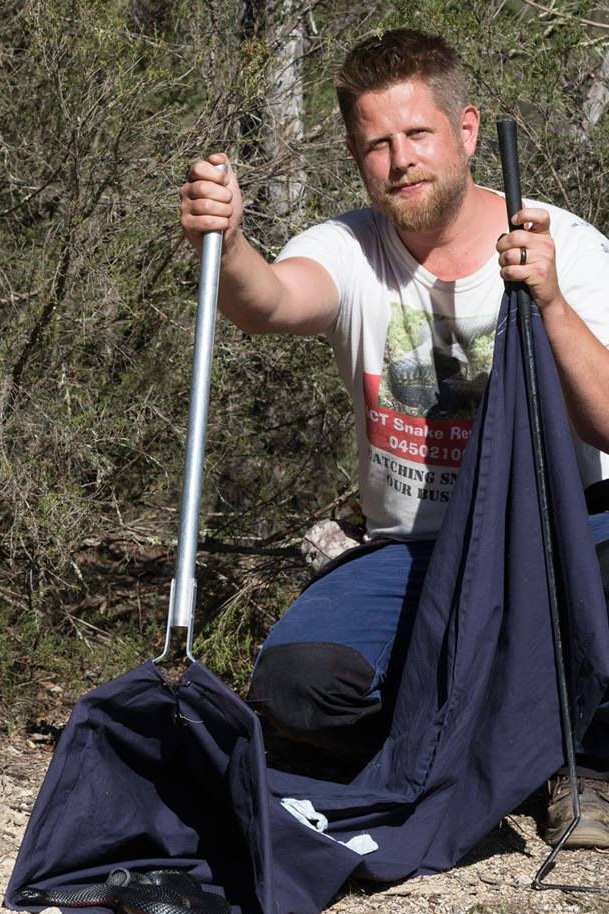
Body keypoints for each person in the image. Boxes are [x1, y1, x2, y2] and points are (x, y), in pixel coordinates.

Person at [180, 29, 609, 847]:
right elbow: (268, 301)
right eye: (377, 143)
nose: (401, 159)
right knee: (300, 686)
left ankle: (582, 763)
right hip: (417, 548)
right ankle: (455, 748)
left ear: (468, 131)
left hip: (563, 534)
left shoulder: (568, 248)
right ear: (354, 152)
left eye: (418, 134)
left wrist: (552, 304)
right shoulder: (349, 249)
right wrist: (229, 242)